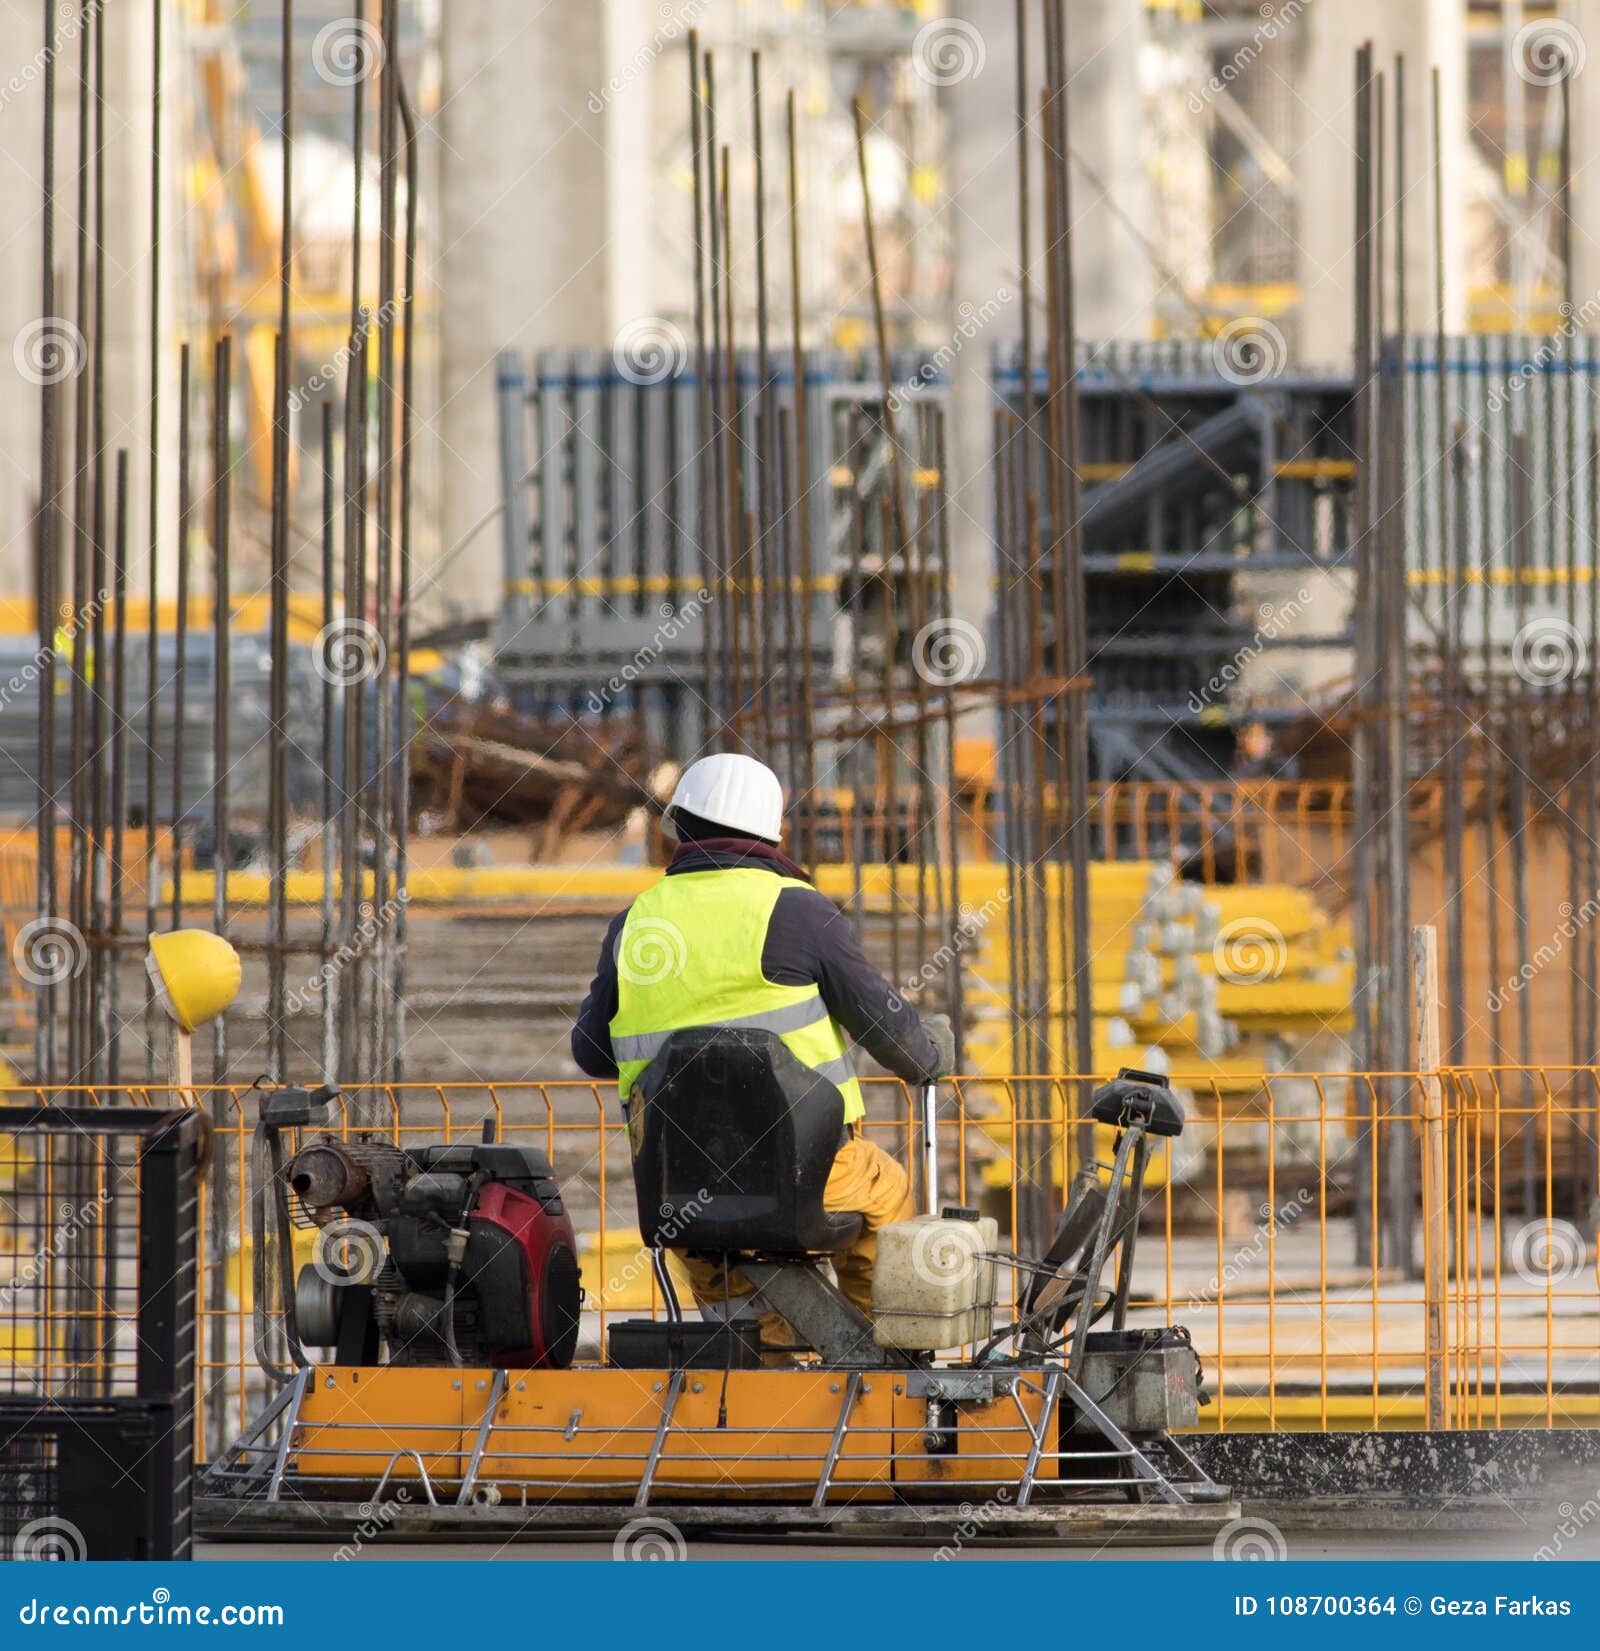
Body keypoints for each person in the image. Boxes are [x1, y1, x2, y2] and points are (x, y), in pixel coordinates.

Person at [571, 752, 955, 1335]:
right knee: (889, 1194)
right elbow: (890, 1032)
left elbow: (592, 1053)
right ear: (773, 832)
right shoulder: (799, 911)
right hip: (814, 1171)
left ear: (679, 827)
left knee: (752, 1330)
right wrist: (930, 1054)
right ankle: (889, 1359)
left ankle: (766, 1379)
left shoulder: (635, 923)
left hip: (679, 1183)